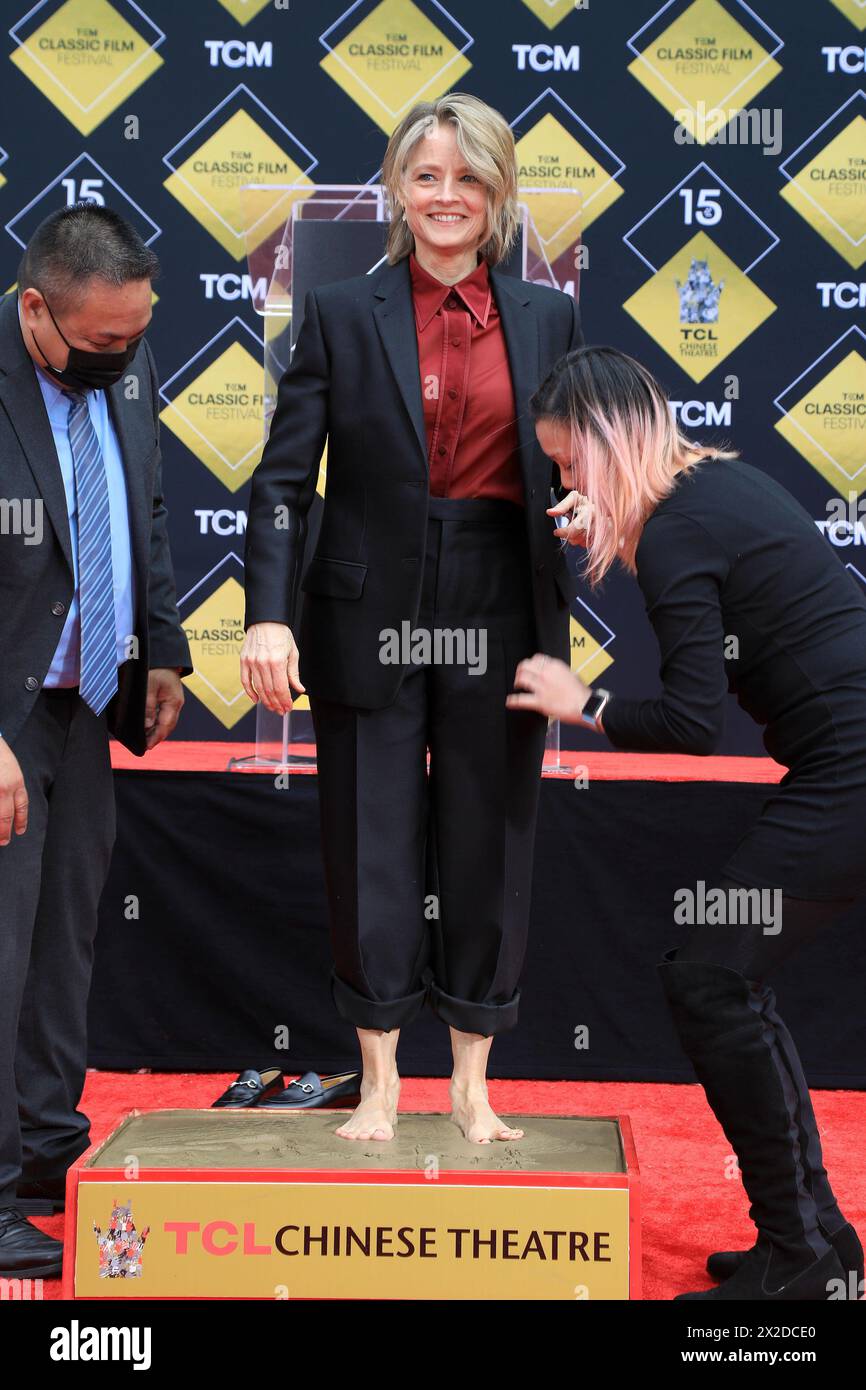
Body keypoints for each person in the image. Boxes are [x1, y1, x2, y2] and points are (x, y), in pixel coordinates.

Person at [242, 93, 582, 1144]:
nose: (446, 196)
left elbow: (584, 452)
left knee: (488, 843)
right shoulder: (339, 313)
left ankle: (472, 1084)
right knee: (370, 843)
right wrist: (265, 617)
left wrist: (590, 498)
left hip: (499, 591)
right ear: (398, 187)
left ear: (497, 195)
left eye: (467, 178)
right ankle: (380, 1079)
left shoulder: (547, 317)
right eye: (426, 176)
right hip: (364, 601)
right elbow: (281, 485)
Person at [508, 344, 866, 1300]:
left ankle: (799, 1252)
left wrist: (580, 701)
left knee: (709, 978)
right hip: (846, 762)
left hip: (855, 770)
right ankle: (818, 1242)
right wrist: (616, 518)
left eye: (572, 465)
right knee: (725, 977)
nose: (564, 485)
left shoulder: (675, 534)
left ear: (611, 443)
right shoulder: (717, 486)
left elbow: (692, 727)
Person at [0, 205, 191, 1278]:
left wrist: (157, 644)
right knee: (0, 945)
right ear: (35, 308)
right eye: (100, 344)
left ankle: (41, 1151)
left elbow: (142, 504)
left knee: (62, 938)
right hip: (4, 710)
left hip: (84, 704)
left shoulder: (120, 347)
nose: (122, 358)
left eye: (133, 339)